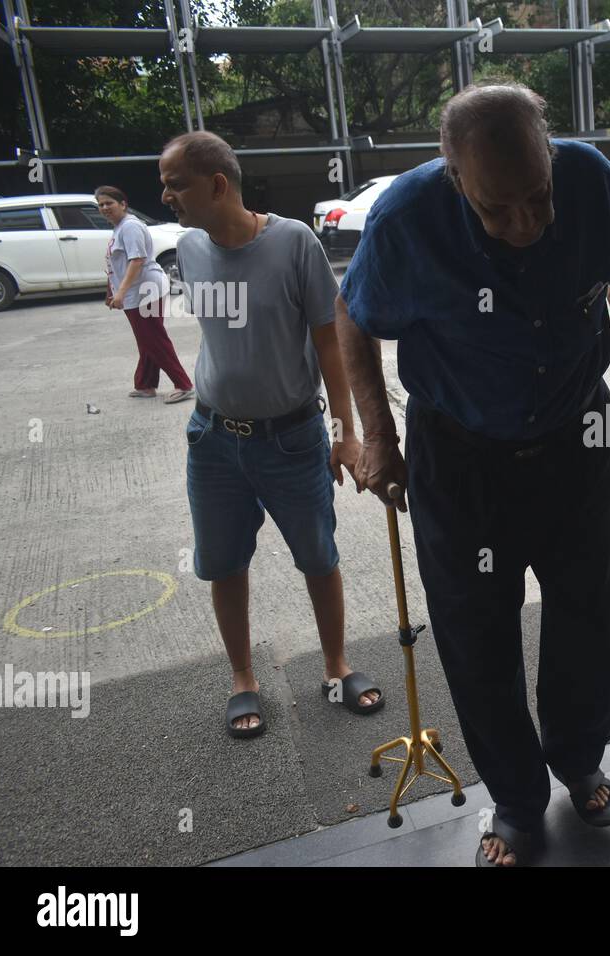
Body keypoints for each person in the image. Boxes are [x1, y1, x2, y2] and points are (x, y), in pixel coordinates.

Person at [336, 82, 610, 867]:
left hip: (576, 438)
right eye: (498, 210)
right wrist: (376, 437)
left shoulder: (591, 182)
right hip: (459, 459)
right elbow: (353, 316)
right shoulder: (406, 220)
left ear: (551, 153)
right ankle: (519, 800)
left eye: (537, 197)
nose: (525, 225)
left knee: (588, 610)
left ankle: (579, 757)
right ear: (454, 176)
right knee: (475, 630)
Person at [158, 131, 383, 739]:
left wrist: (346, 432)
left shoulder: (293, 243)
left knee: (318, 554)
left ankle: (336, 667)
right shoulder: (188, 250)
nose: (166, 195)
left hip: (291, 437)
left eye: (175, 184)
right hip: (212, 439)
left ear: (217, 184)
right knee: (224, 564)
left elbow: (329, 342)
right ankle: (243, 680)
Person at [96, 185, 193, 404]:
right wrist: (111, 290)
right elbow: (116, 264)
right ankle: (145, 384)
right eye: (101, 204)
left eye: (109, 203)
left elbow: (137, 260)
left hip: (144, 291)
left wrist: (121, 292)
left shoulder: (130, 227)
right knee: (147, 340)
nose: (104, 208)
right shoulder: (119, 228)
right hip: (136, 292)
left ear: (123, 204)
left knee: (154, 339)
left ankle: (184, 384)